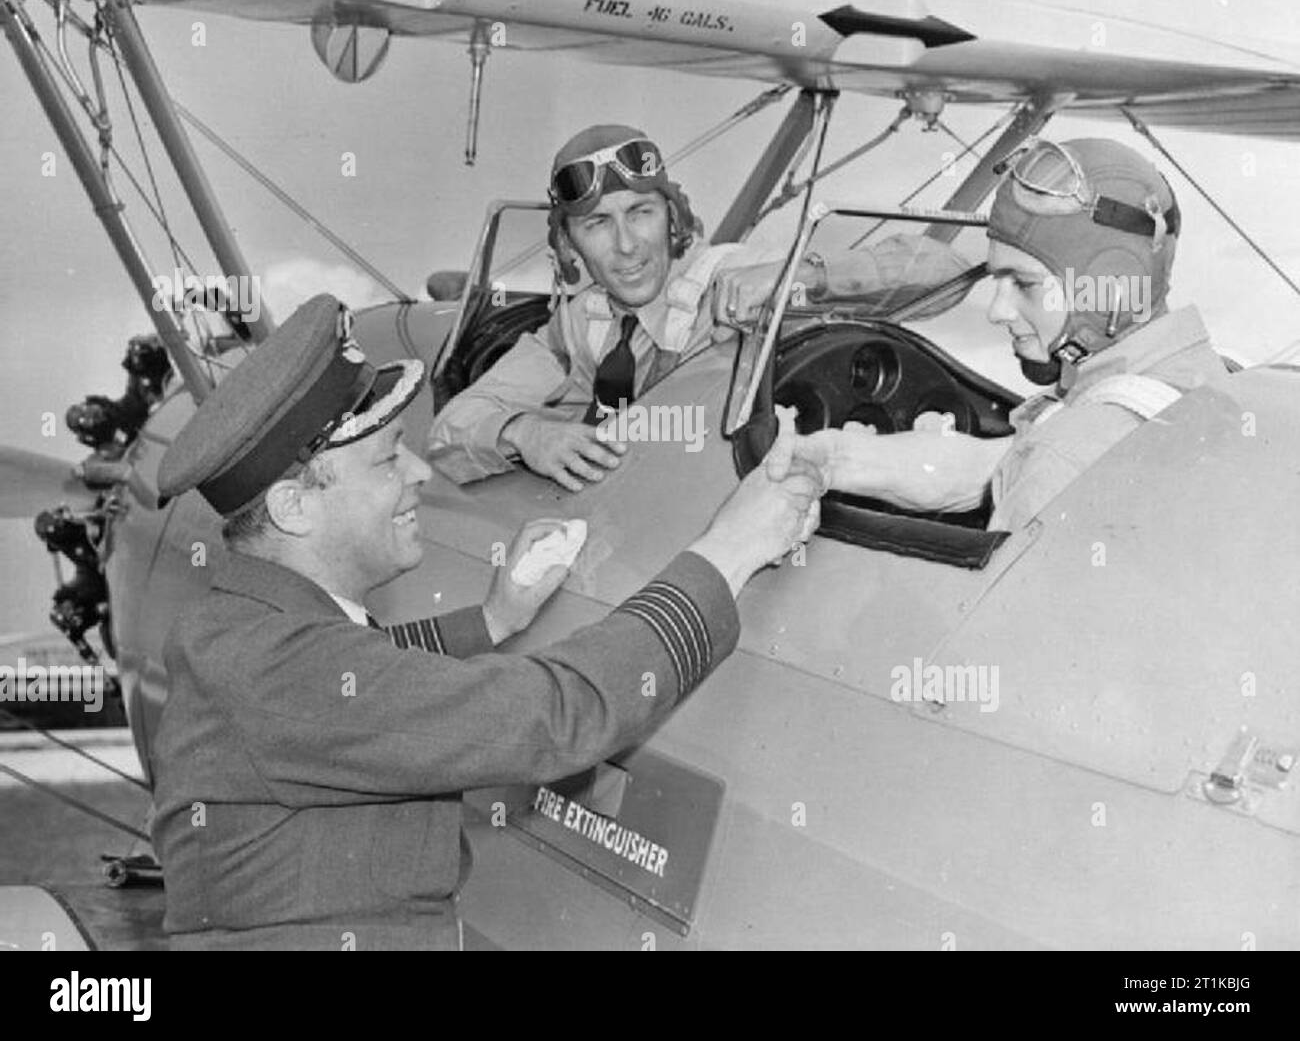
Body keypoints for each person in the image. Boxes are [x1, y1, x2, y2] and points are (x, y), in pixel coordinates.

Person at [149, 293, 823, 950]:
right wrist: (729, 550)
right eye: (388, 461)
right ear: (295, 506)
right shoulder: (283, 671)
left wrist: (493, 622)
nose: (418, 473)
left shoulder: (246, 628)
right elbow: (553, 719)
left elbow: (367, 675)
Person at [426, 123, 969, 490]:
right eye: (597, 224)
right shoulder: (577, 326)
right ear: (568, 244)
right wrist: (524, 433)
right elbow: (451, 430)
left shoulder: (734, 280)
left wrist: (805, 276)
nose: (626, 245)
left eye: (641, 212)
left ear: (674, 217)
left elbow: (946, 273)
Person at [783, 138, 1229, 531]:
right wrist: (836, 459)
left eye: (1023, 283)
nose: (998, 311)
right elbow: (1002, 464)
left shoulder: (1066, 461)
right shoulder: (1205, 380)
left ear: (1112, 286)